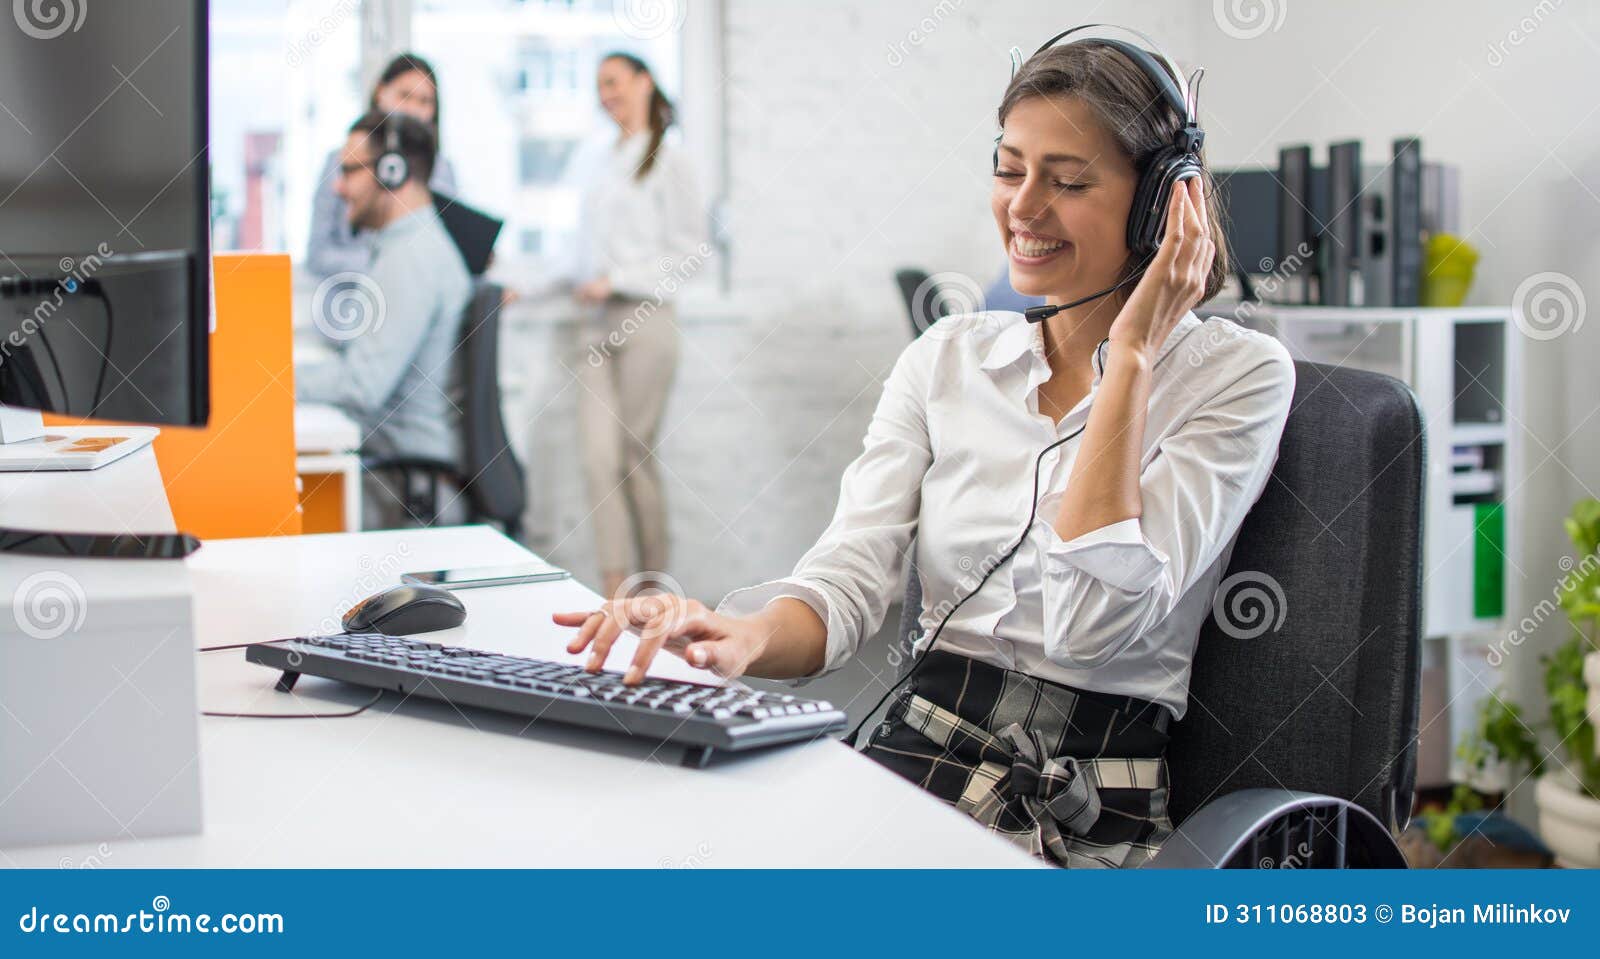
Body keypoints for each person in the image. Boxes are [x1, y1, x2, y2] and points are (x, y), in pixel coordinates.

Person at [555, 27, 1295, 868]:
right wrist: (741, 635)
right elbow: (850, 577)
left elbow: (1090, 631)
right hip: (914, 755)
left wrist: (1129, 356)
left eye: (1068, 181)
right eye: (1009, 170)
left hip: (1080, 802)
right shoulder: (947, 358)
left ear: (1162, 203)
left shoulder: (1238, 375)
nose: (1023, 208)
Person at [566, 53, 707, 599]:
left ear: (645, 83)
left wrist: (620, 278)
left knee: (633, 458)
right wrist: (523, 285)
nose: (606, 94)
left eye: (615, 82)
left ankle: (653, 592)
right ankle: (613, 593)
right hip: (595, 324)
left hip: (646, 318)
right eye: (599, 86)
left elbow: (691, 253)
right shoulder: (601, 160)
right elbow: (580, 251)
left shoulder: (672, 159)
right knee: (597, 459)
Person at [297, 110, 472, 524]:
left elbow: (361, 386)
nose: (338, 187)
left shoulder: (411, 259)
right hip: (398, 476)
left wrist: (275, 381)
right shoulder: (401, 249)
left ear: (393, 171)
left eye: (348, 171)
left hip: (405, 489)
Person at [306, 53, 457, 280]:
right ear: (380, 92)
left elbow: (446, 249)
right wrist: (388, 262)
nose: (414, 110)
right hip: (354, 297)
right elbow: (317, 255)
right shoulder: (342, 162)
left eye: (425, 101)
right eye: (405, 96)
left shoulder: (441, 170)